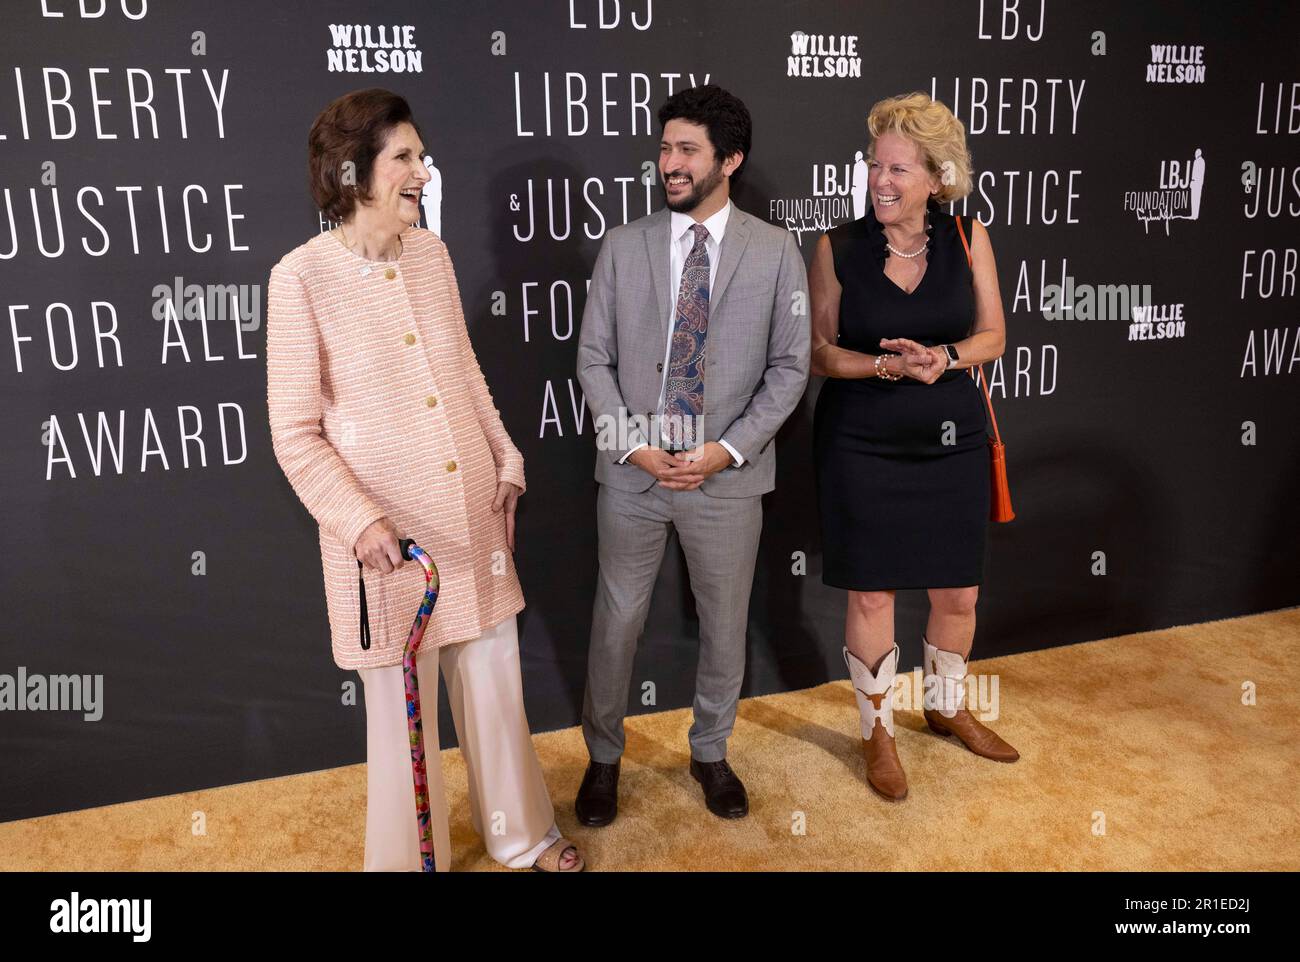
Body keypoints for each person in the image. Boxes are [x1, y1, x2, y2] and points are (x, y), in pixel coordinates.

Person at [266, 88, 584, 872]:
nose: (423, 172)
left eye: (421, 155)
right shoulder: (299, 278)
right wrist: (359, 521)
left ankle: (521, 833)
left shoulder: (432, 255)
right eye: (404, 158)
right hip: (387, 547)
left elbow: (465, 374)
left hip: (473, 521)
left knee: (495, 691)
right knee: (399, 725)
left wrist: (506, 458)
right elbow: (295, 433)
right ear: (353, 173)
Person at [574, 84, 810, 824]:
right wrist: (636, 448)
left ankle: (711, 751)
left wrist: (727, 451)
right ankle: (603, 758)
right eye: (665, 147)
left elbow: (789, 368)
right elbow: (592, 362)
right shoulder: (624, 245)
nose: (668, 163)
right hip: (632, 476)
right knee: (617, 621)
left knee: (724, 622)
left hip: (726, 480)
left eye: (687, 151)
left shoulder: (775, 252)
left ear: (729, 160)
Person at [809, 91, 1019, 803]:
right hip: (862, 440)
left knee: (958, 588)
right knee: (872, 591)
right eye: (875, 166)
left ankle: (946, 703)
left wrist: (944, 356)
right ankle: (877, 729)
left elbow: (994, 337)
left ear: (938, 177)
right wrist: (888, 365)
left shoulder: (968, 237)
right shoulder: (836, 246)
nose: (882, 181)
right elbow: (821, 354)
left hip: (952, 438)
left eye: (899, 169)